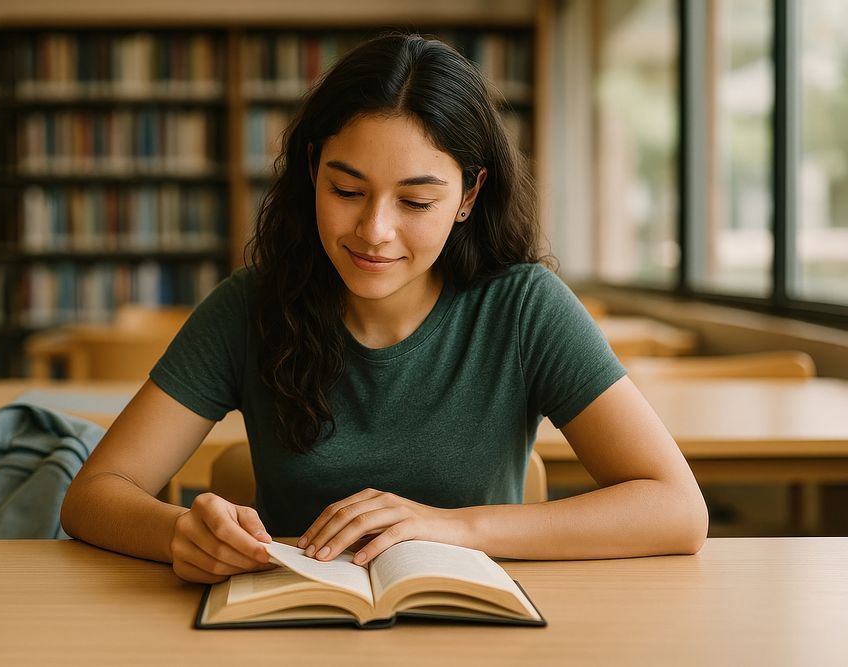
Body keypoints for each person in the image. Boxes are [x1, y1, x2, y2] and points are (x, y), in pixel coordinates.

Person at [61, 34, 708, 584]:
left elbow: (677, 509)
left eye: (416, 201)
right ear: (312, 169)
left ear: (468, 195)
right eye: (347, 189)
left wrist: (450, 527)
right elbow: (94, 494)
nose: (374, 230)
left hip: (473, 631)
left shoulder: (523, 307)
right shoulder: (249, 306)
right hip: (290, 628)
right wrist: (179, 532)